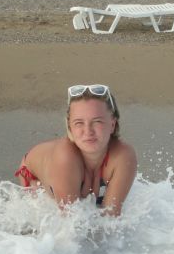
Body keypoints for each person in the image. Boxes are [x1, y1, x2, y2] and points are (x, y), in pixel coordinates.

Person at [15, 84, 137, 216]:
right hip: (33, 174)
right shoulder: (65, 159)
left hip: (74, 169)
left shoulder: (124, 155)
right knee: (50, 215)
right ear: (70, 127)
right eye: (79, 123)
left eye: (97, 121)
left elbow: (111, 216)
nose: (88, 131)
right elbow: (71, 222)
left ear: (112, 124)